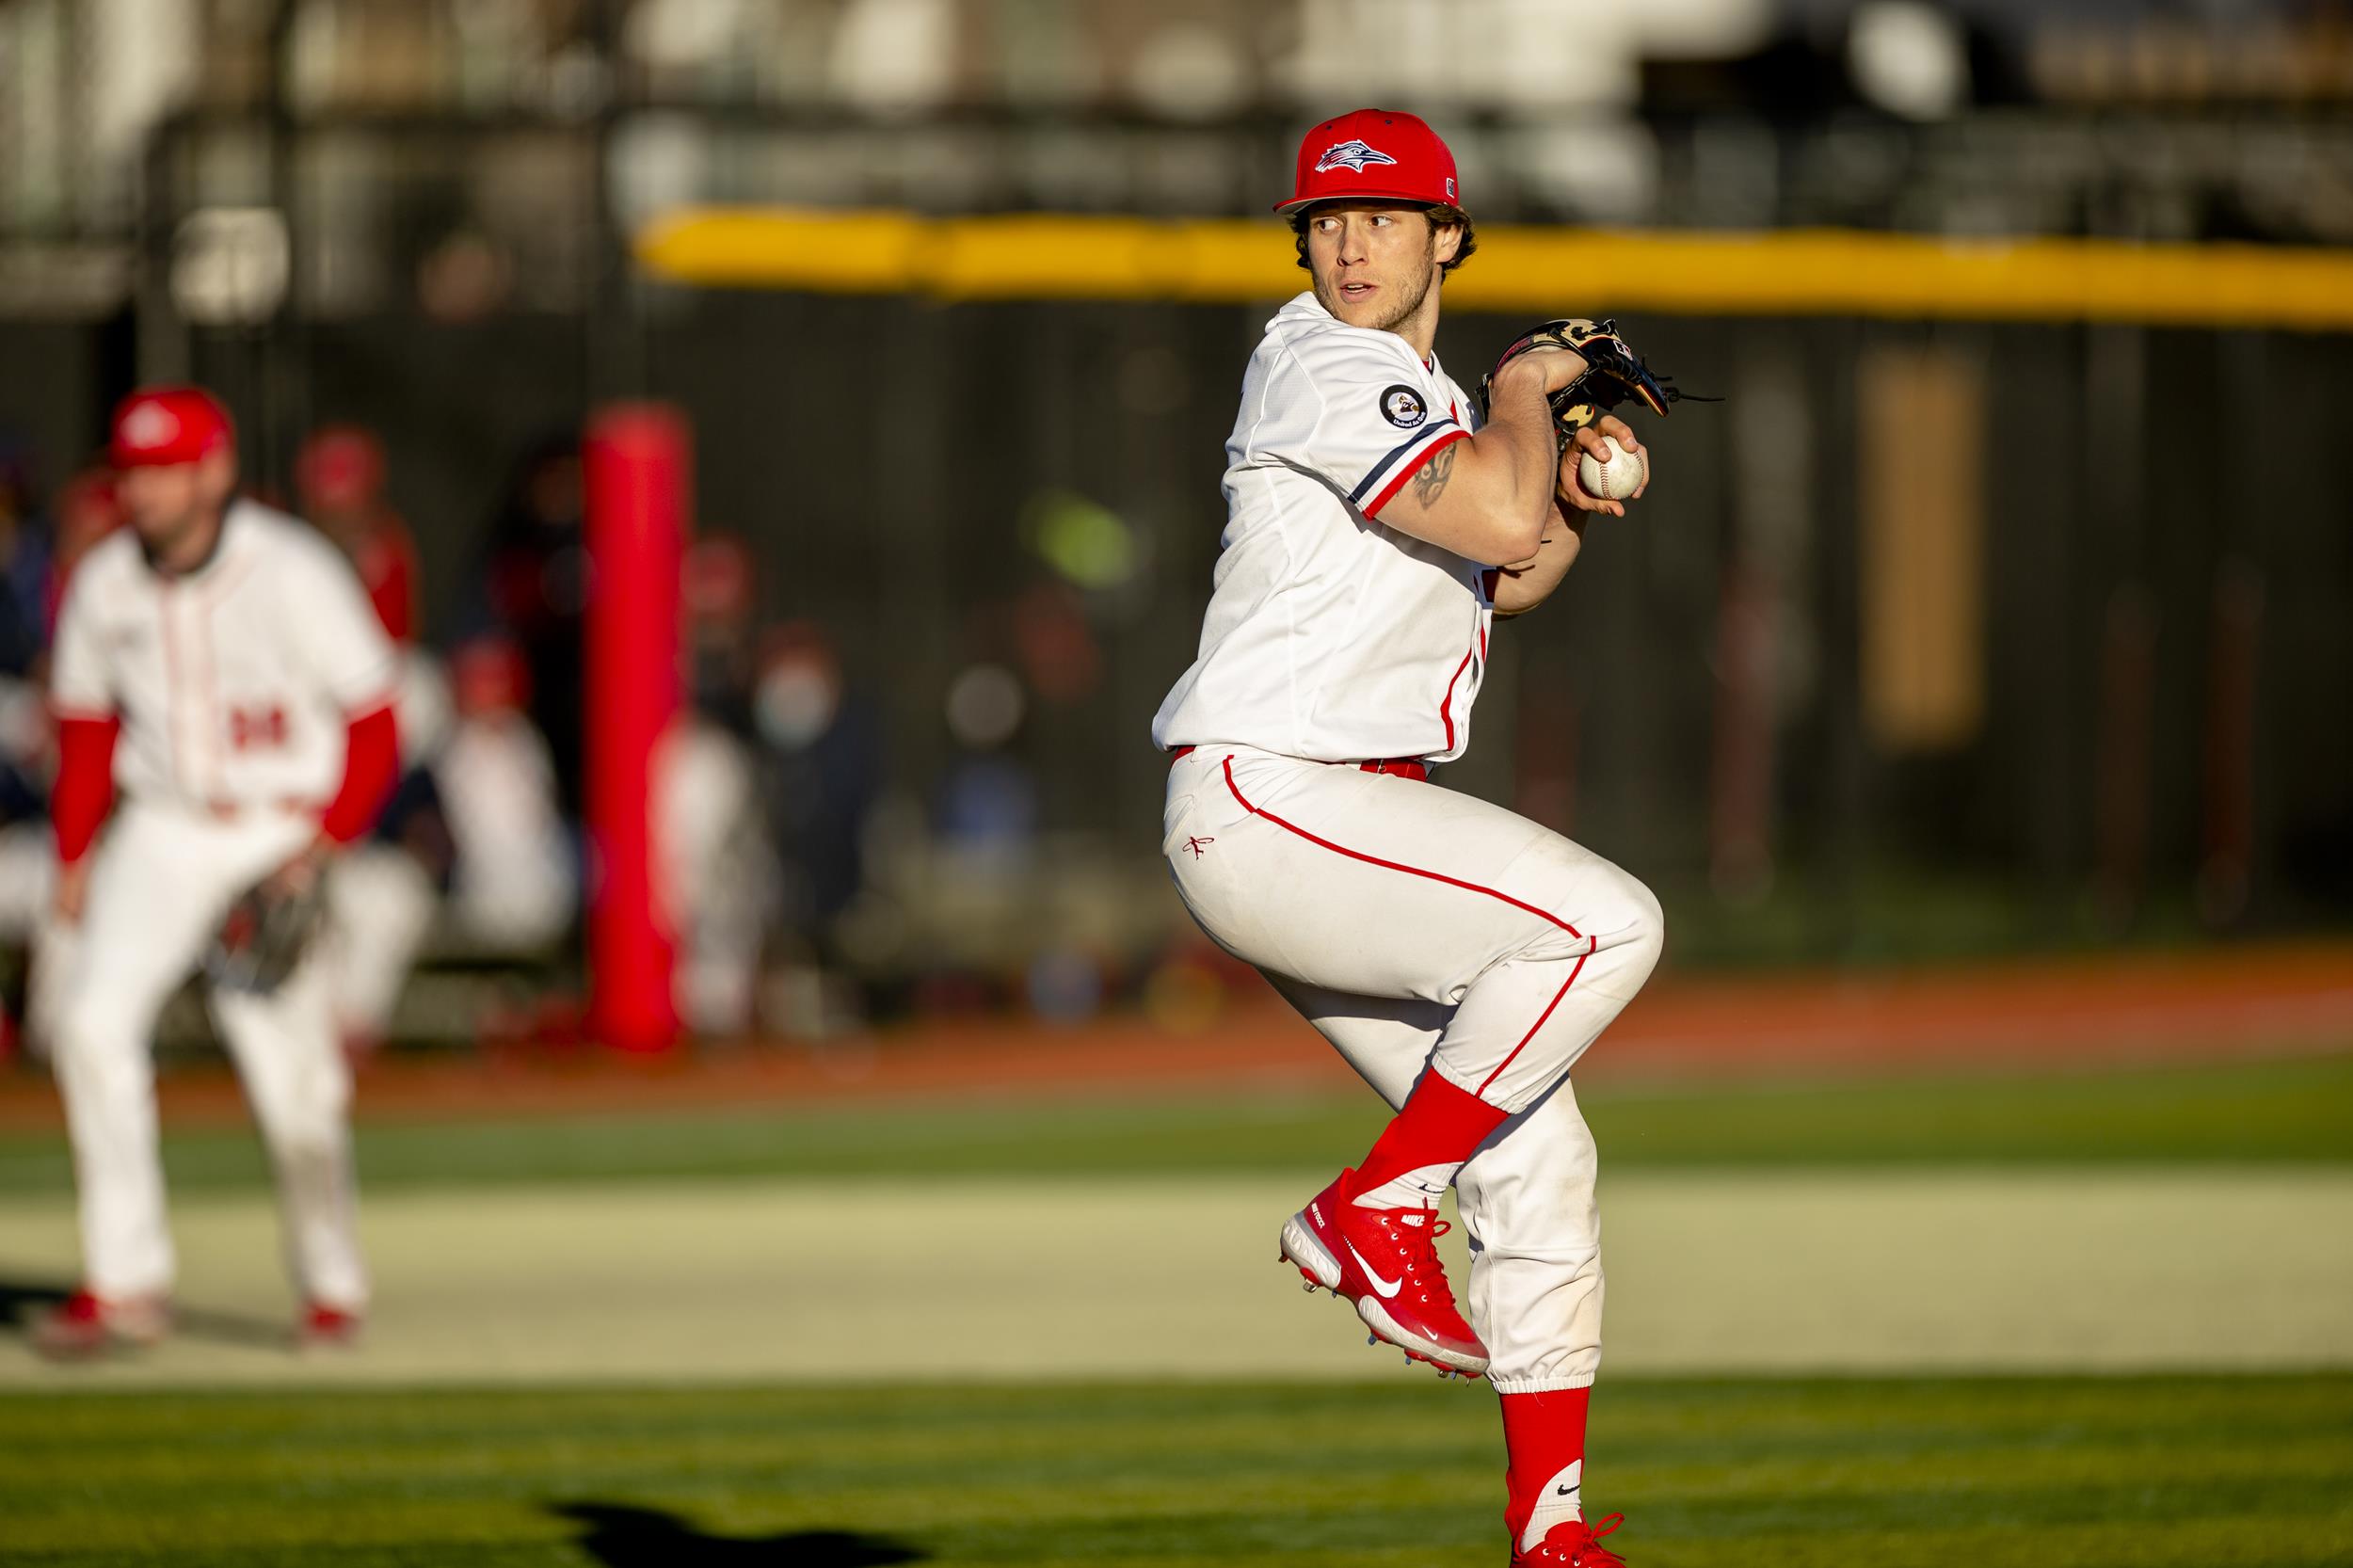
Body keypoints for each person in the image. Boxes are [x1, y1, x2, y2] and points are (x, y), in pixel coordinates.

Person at [1153, 110, 1664, 1566]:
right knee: (1607, 922)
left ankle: (1550, 1531)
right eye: (1324, 220)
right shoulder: (1326, 361)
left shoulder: (1419, 398)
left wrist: (1571, 478)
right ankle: (1376, 1201)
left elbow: (1514, 560)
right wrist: (1528, 387)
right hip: (1279, 793)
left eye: (1381, 217)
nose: (1349, 243)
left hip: (1333, 820)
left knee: (1538, 1155)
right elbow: (1491, 508)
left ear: (1448, 236)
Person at [33, 386, 400, 1357]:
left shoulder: (293, 570)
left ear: (215, 470)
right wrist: (74, 854)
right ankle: (126, 1280)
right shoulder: (106, 582)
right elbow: (84, 727)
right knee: (90, 1024)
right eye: (132, 470)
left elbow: (375, 723)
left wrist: (321, 846)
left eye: (165, 469)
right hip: (162, 829)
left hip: (277, 829)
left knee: (294, 1087)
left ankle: (331, 1283)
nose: (144, 490)